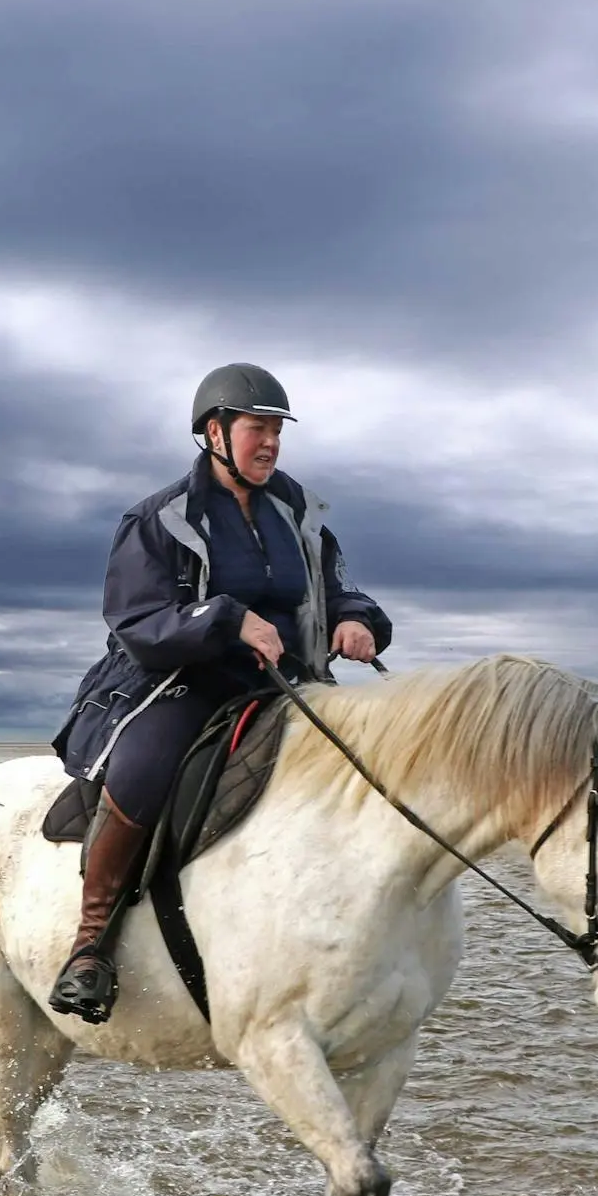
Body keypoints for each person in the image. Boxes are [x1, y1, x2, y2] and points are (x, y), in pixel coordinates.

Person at [47, 363, 392, 1022]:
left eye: (276, 432)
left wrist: (356, 619)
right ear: (213, 432)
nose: (269, 443)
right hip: (180, 686)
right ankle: (90, 945)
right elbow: (136, 621)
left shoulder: (300, 514)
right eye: (256, 429)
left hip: (291, 688)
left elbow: (338, 587)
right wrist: (227, 620)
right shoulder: (157, 519)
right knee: (144, 771)